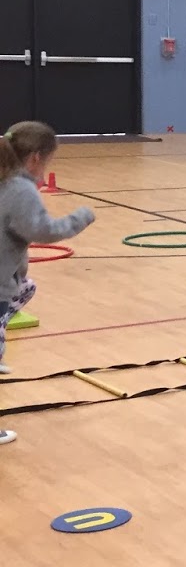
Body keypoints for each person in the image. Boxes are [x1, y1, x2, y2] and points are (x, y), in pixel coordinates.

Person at [0, 122, 96, 441]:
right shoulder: (19, 189)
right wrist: (79, 217)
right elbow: (43, 231)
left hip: (8, 279)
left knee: (26, 289)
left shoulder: (7, 180)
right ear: (36, 159)